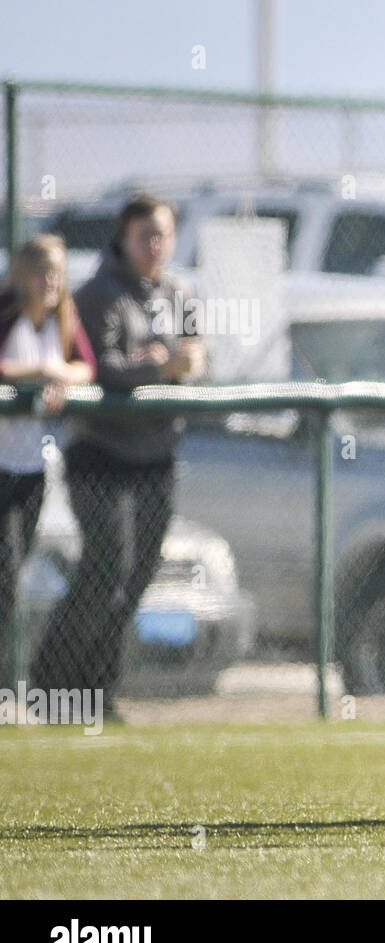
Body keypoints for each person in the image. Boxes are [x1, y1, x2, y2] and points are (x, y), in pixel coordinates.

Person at [29, 194, 206, 716]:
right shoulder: (98, 294)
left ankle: (96, 694)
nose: (156, 246)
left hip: (157, 455)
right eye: (145, 235)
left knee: (137, 576)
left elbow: (196, 357)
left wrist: (185, 362)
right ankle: (51, 688)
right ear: (123, 238)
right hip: (102, 452)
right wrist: (157, 365)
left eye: (164, 235)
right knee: (107, 568)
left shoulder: (178, 292)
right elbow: (100, 369)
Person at [0, 236, 96, 683]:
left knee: (13, 574)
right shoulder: (9, 312)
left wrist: (60, 374)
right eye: (42, 272)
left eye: (57, 272)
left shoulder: (61, 319)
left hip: (31, 468)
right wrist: (38, 372)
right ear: (22, 275)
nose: (51, 281)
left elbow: (86, 366)